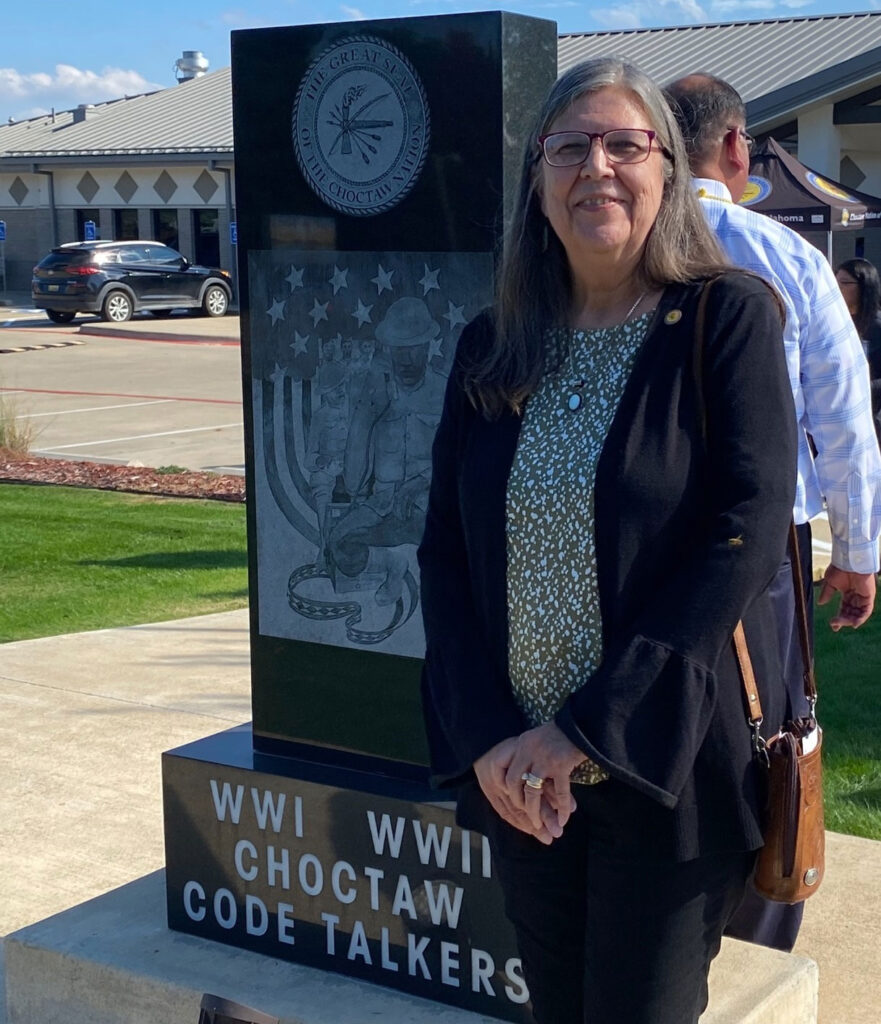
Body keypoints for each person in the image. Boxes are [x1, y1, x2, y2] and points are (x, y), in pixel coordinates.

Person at [418, 58, 797, 1024]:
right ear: (538, 183)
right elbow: (445, 556)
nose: (598, 166)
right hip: (524, 787)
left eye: (625, 144)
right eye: (569, 147)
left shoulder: (723, 319)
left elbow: (741, 531)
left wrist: (582, 732)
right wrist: (491, 741)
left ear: (667, 170)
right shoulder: (492, 344)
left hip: (660, 771)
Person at [666, 72, 881, 951]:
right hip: (764, 548)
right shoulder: (783, 253)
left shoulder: (609, 243)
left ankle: (672, 925)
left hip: (634, 539)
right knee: (773, 736)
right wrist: (858, 549)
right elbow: (841, 414)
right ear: (733, 148)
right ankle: (759, 932)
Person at [836, 257, 881, 444]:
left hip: (871, 416)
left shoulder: (877, 326)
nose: (837, 287)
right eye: (834, 281)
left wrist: (863, 386)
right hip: (839, 413)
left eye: (845, 283)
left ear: (864, 286)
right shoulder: (836, 323)